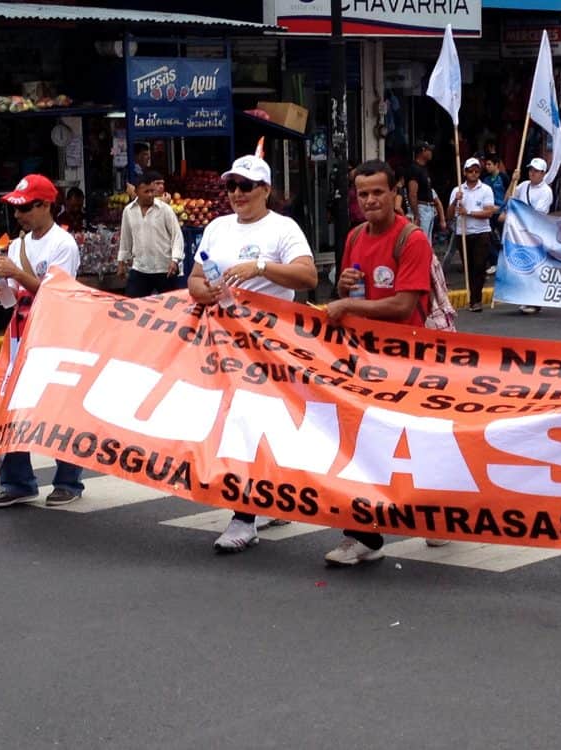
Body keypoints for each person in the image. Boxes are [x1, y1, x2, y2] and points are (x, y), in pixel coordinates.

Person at [188, 155, 318, 552]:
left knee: (259, 422)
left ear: (265, 190)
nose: (237, 194)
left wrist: (260, 267)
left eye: (245, 186)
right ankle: (256, 504)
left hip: (271, 345)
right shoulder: (217, 227)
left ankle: (246, 516)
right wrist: (205, 291)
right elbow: (195, 278)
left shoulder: (283, 228)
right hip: (224, 342)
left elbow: (307, 275)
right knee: (235, 422)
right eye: (231, 186)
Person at [322, 159, 440, 566]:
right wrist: (344, 288)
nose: (370, 200)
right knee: (361, 443)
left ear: (394, 193)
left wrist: (348, 304)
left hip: (407, 361)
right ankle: (362, 535)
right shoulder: (354, 236)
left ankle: (434, 512)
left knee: (413, 443)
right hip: (363, 360)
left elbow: (403, 304)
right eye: (363, 194)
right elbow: (350, 289)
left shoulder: (412, 240)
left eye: (377, 192)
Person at [0, 174, 84, 508]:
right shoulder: (17, 245)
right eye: (16, 209)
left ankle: (68, 481)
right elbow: (11, 299)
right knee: (12, 404)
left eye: (26, 208)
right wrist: (2, 285)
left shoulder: (63, 244)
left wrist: (16, 273)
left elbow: (56, 294)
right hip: (21, 333)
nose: (19, 215)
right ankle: (17, 481)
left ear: (46, 205)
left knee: (59, 407)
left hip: (56, 334)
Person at [117, 171, 184, 298]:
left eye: (152, 191)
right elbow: (125, 238)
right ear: (136, 192)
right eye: (146, 191)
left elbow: (177, 236)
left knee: (170, 305)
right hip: (140, 268)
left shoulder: (165, 209)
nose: (150, 195)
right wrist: (121, 262)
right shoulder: (128, 211)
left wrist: (175, 260)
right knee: (134, 303)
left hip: (165, 268)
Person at [447, 157, 496, 312]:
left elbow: (488, 212)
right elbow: (450, 215)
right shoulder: (457, 190)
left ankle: (476, 300)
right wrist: (455, 201)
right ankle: (473, 299)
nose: (473, 173)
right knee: (468, 267)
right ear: (465, 172)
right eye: (470, 171)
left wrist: (468, 212)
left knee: (479, 267)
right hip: (463, 233)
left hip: (481, 232)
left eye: (476, 171)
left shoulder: (486, 189)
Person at [509, 157, 554, 315]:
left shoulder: (546, 191)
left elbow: (537, 213)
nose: (532, 173)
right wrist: (513, 182)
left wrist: (519, 213)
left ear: (543, 173)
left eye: (536, 171)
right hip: (520, 233)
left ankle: (535, 301)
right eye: (531, 170)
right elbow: (509, 199)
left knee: (535, 267)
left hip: (535, 234)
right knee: (523, 266)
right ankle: (526, 297)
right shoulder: (523, 186)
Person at [407, 141, 437, 240]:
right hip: (421, 208)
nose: (431, 152)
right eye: (429, 150)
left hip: (429, 208)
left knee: (428, 241)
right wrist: (416, 215)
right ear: (423, 151)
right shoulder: (414, 168)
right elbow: (412, 194)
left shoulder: (424, 168)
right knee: (422, 239)